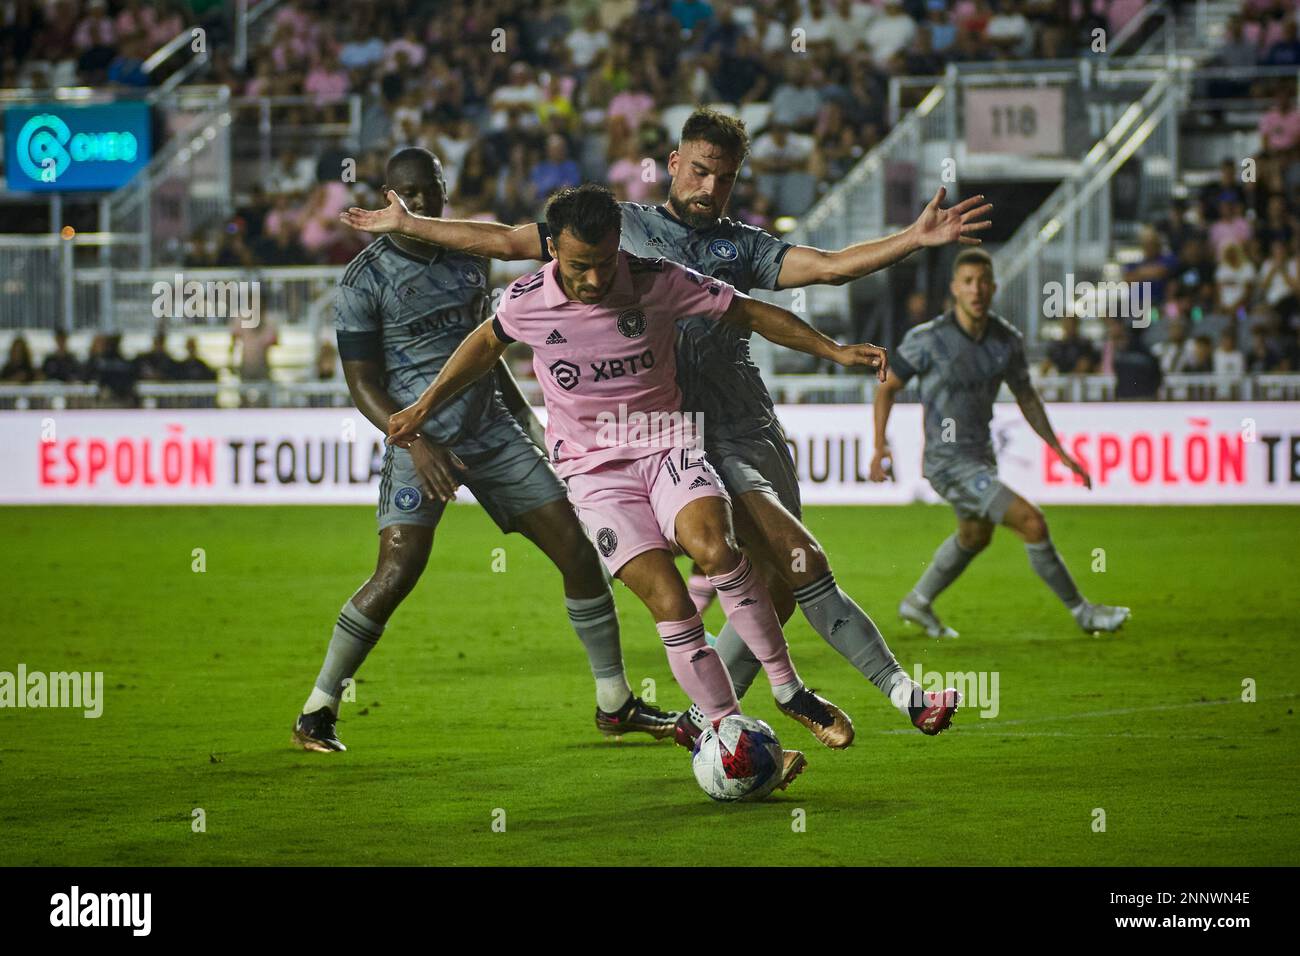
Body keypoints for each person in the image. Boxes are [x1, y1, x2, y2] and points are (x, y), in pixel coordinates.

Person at [341, 109, 988, 738]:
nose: (711, 187)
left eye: (725, 177)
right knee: (789, 559)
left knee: (779, 586)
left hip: (739, 421)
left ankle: (722, 722)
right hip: (673, 432)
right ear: (674, 164)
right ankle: (869, 698)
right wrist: (415, 225)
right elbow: (503, 241)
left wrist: (909, 241)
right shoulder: (618, 229)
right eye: (701, 171)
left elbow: (824, 268)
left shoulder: (739, 247)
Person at [387, 184, 885, 782]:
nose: (595, 281)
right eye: (578, 267)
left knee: (716, 548)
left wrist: (830, 350)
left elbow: (748, 312)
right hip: (594, 473)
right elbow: (483, 345)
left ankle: (789, 691)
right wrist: (424, 405)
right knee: (672, 603)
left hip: (665, 440)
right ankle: (726, 727)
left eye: (603, 263)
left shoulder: (657, 278)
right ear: (551, 250)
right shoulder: (525, 301)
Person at [292, 150, 677, 754]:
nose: (417, 203)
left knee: (578, 552)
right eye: (405, 193)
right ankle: (318, 709)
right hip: (420, 439)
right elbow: (362, 382)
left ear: (444, 191)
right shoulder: (363, 278)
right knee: (397, 571)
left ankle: (614, 703)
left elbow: (488, 348)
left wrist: (529, 425)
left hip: (493, 432)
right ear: (387, 194)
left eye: (428, 191)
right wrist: (415, 441)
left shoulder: (471, 257)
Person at [871, 250, 1130, 637]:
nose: (976, 289)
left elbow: (1026, 396)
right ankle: (1084, 612)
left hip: (981, 458)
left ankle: (918, 602)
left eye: (983, 282)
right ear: (955, 289)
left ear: (993, 288)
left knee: (975, 536)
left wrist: (1058, 449)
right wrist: (880, 446)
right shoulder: (928, 340)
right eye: (968, 282)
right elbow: (887, 387)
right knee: (1031, 522)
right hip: (947, 461)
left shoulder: (1006, 341)